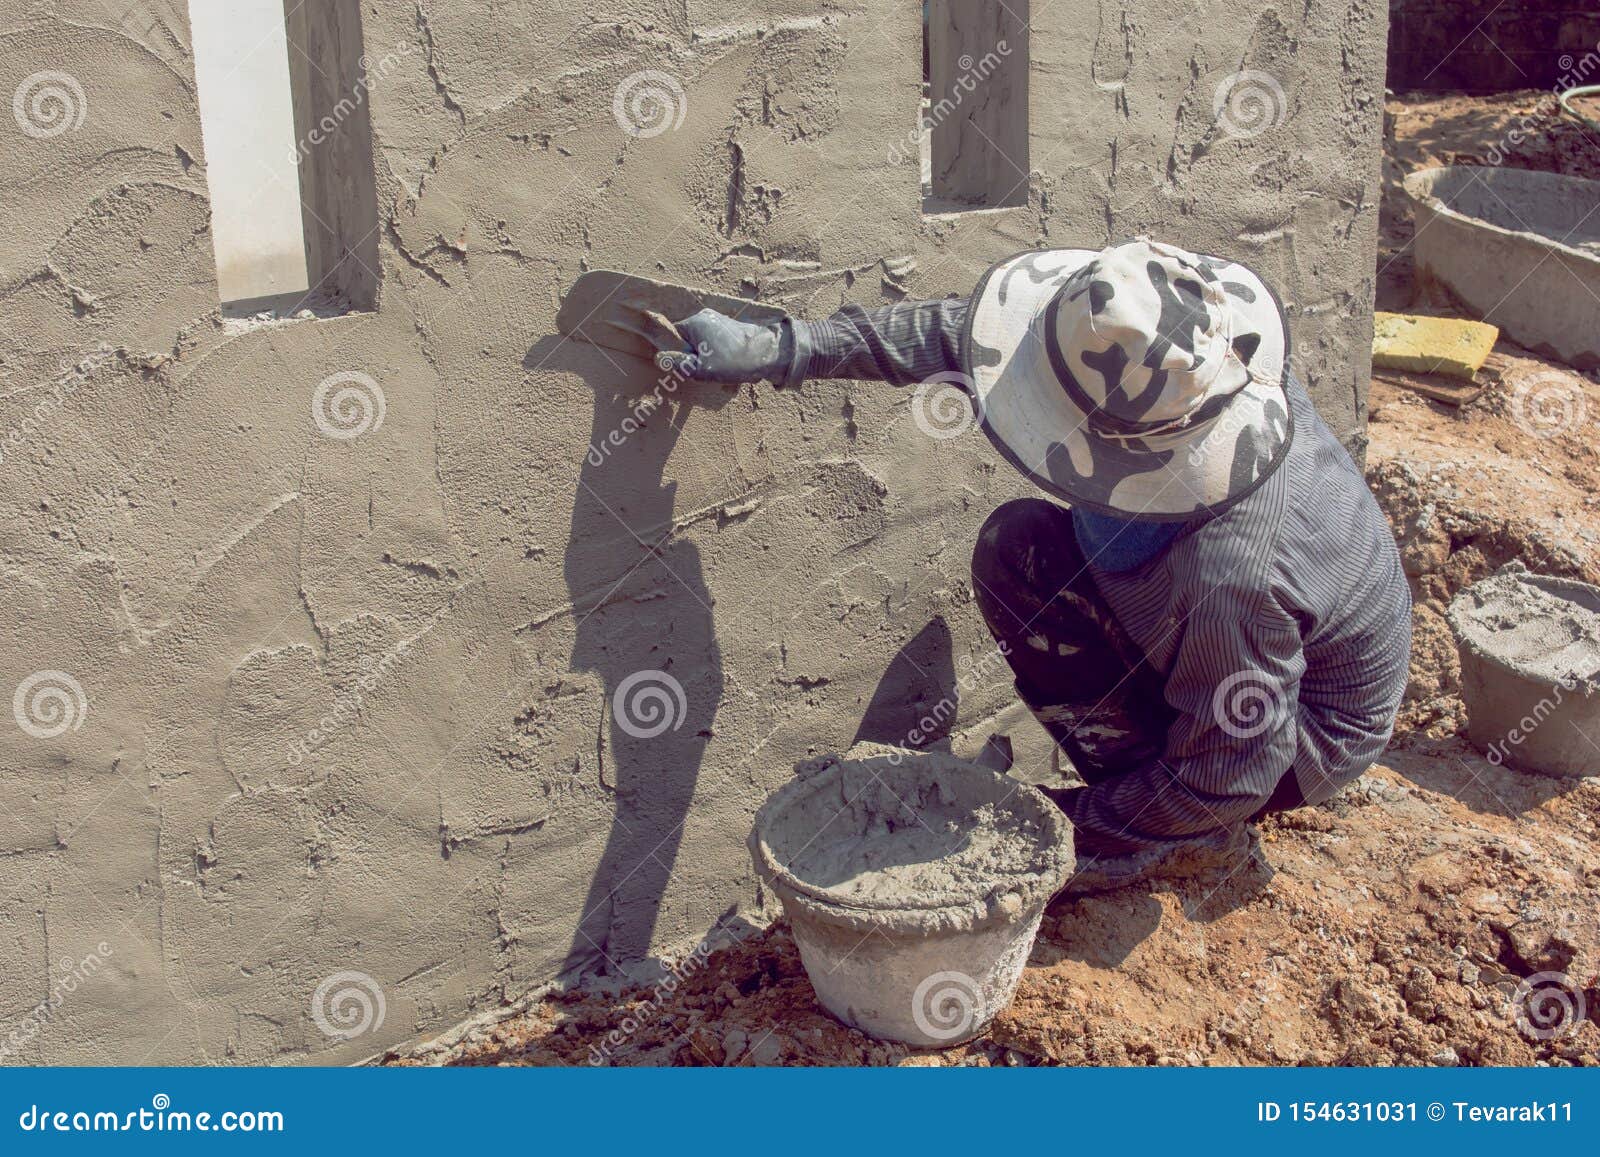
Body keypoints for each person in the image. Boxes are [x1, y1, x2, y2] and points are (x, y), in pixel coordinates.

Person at [660, 239, 1412, 893]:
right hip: (1229, 645)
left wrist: (1052, 823)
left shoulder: (1232, 575)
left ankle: (1161, 833)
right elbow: (962, 337)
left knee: (1193, 788)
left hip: (1289, 739)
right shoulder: (1183, 351)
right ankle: (1135, 783)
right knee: (1017, 550)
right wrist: (786, 347)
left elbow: (1231, 772)